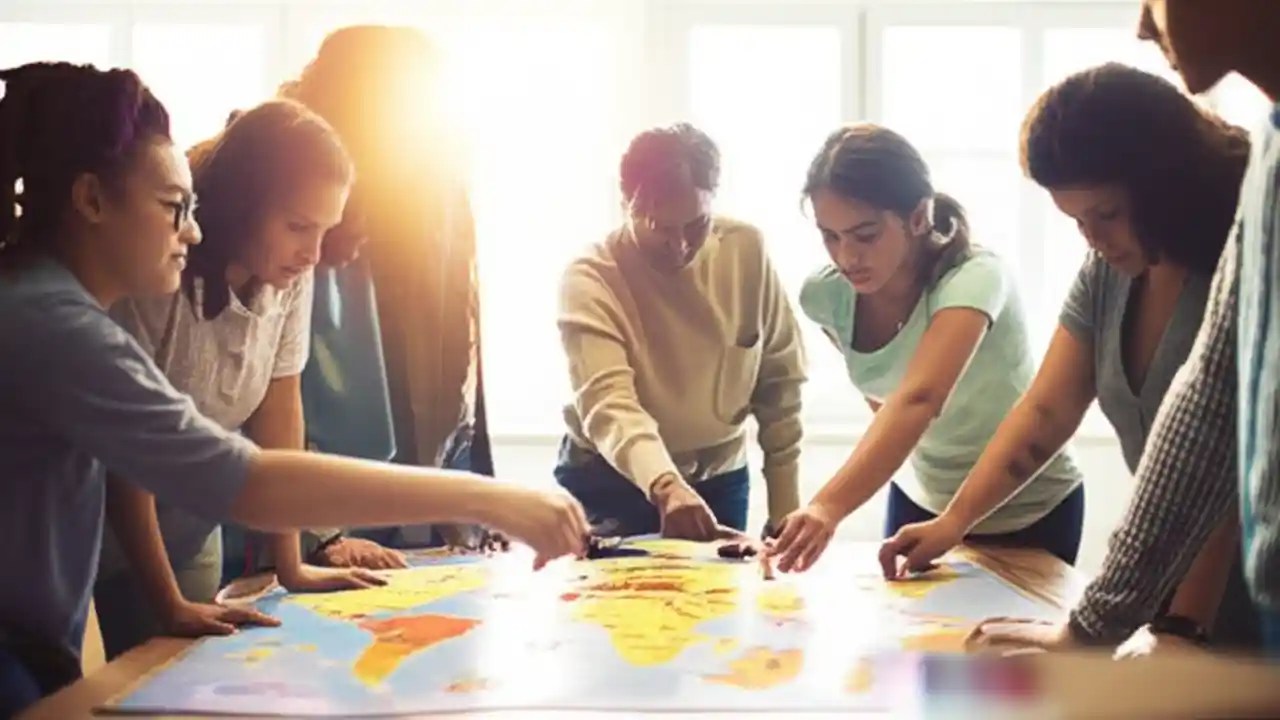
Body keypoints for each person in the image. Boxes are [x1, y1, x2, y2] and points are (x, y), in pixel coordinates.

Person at [0, 62, 587, 717]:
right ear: (91, 200)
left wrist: (293, 561)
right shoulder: (54, 322)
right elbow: (243, 480)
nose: (188, 231)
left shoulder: (41, 301)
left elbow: (273, 421)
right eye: (173, 208)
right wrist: (494, 500)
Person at [879, 64, 1259, 652]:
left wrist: (1182, 624)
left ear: (1165, 183)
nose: (1093, 239)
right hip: (1170, 590)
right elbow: (1046, 411)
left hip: (1245, 591)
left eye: (1105, 215)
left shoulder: (1241, 263)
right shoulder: (1108, 270)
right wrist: (955, 523)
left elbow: (1222, 465)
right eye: (1077, 221)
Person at [965, 0, 1280, 658]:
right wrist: (1092, 629)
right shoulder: (1269, 158)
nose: (1143, 23)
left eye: (1104, 214)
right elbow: (1202, 409)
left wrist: (1173, 626)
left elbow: (1222, 440)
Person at [91, 100, 407, 661]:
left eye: (325, 229)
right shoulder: (158, 269)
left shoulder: (288, 275)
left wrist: (292, 563)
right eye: (298, 226)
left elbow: (280, 414)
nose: (313, 253)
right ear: (243, 203)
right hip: (95, 523)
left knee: (184, 675)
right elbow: (128, 450)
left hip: (190, 522)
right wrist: (166, 601)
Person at [768, 124, 1084, 574]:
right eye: (830, 236)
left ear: (918, 218)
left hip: (1028, 507)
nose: (847, 257)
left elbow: (920, 398)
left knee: (1006, 644)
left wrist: (826, 507)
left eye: (865, 235)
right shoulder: (824, 296)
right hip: (919, 500)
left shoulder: (976, 276)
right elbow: (886, 400)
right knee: (905, 644)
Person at [277, 26, 497, 554]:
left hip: (421, 463)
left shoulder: (439, 191)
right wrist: (318, 532)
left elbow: (461, 347)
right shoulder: (293, 194)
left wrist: (471, 494)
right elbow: (270, 389)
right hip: (308, 486)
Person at [555, 123, 807, 540]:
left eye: (695, 225)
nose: (680, 245)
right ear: (626, 204)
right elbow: (609, 405)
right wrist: (666, 484)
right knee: (613, 604)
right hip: (611, 480)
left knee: (713, 603)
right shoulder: (589, 278)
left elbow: (780, 384)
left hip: (720, 475)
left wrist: (785, 511)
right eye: (659, 226)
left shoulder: (746, 250)